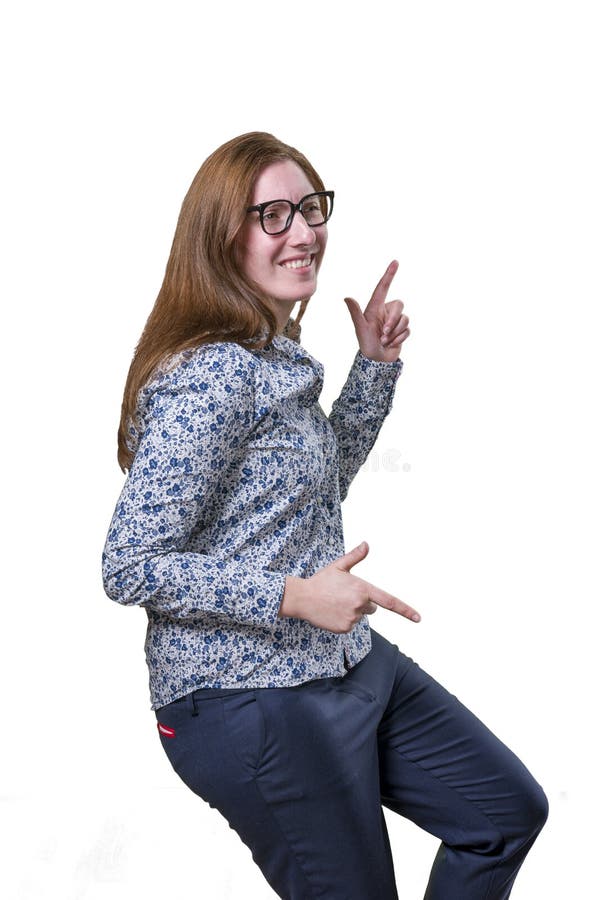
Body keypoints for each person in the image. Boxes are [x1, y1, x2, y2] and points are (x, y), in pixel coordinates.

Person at [102, 131, 548, 899]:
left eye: (310, 207)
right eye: (272, 214)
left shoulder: (271, 352)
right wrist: (294, 595)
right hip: (249, 699)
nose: (304, 231)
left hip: (342, 662)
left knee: (501, 810)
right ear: (222, 236)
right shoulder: (211, 374)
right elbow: (128, 565)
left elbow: (309, 491)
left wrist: (373, 368)